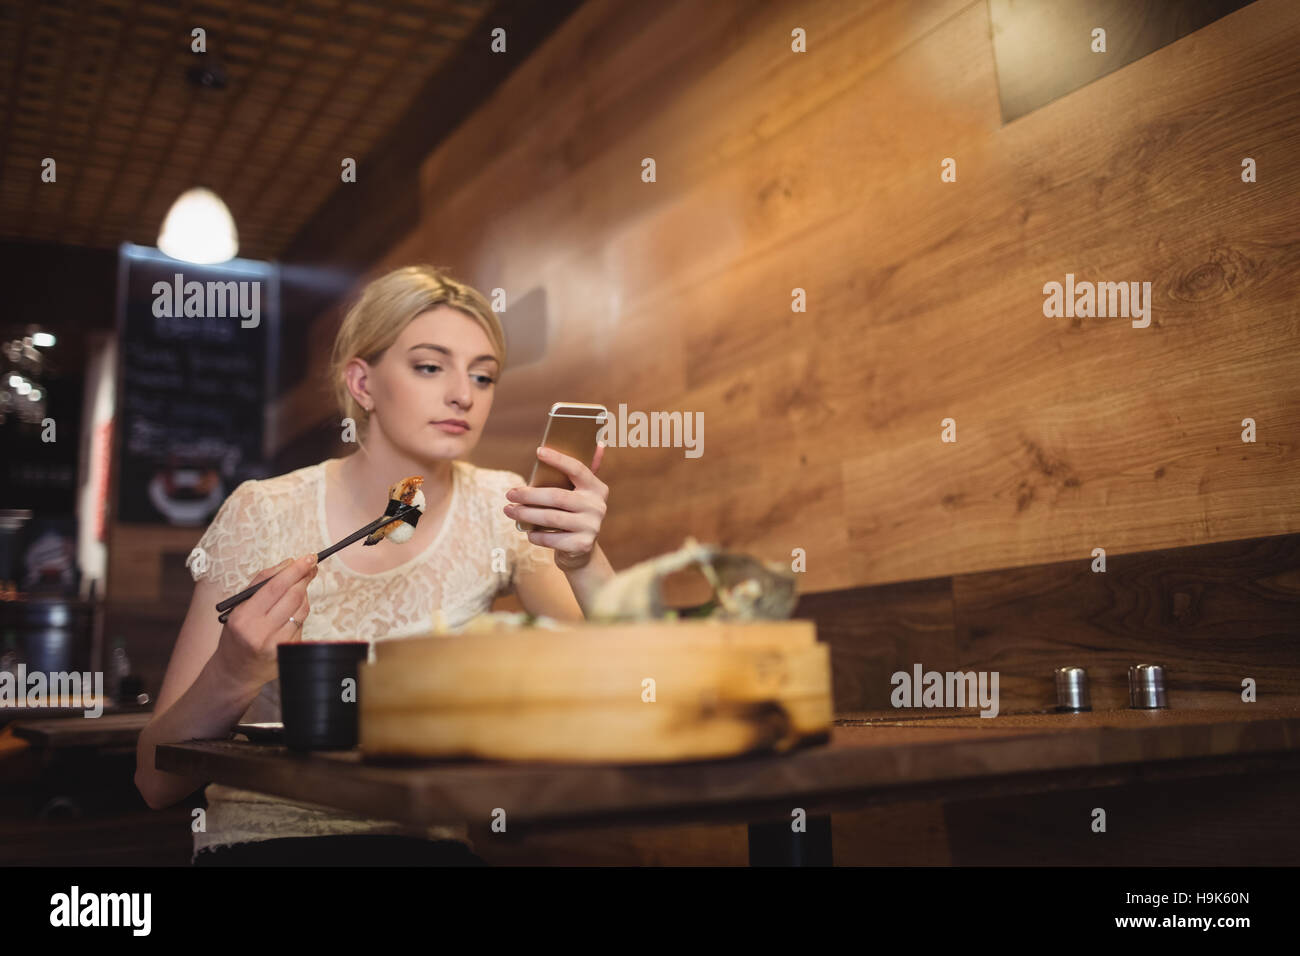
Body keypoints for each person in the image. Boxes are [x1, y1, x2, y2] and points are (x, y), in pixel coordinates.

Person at [134, 264, 615, 865]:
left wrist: (584, 560)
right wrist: (233, 672)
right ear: (362, 384)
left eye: (484, 376)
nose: (464, 394)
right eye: (430, 366)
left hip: (423, 845)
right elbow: (156, 782)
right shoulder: (261, 509)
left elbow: (629, 684)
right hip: (263, 843)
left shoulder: (501, 505)